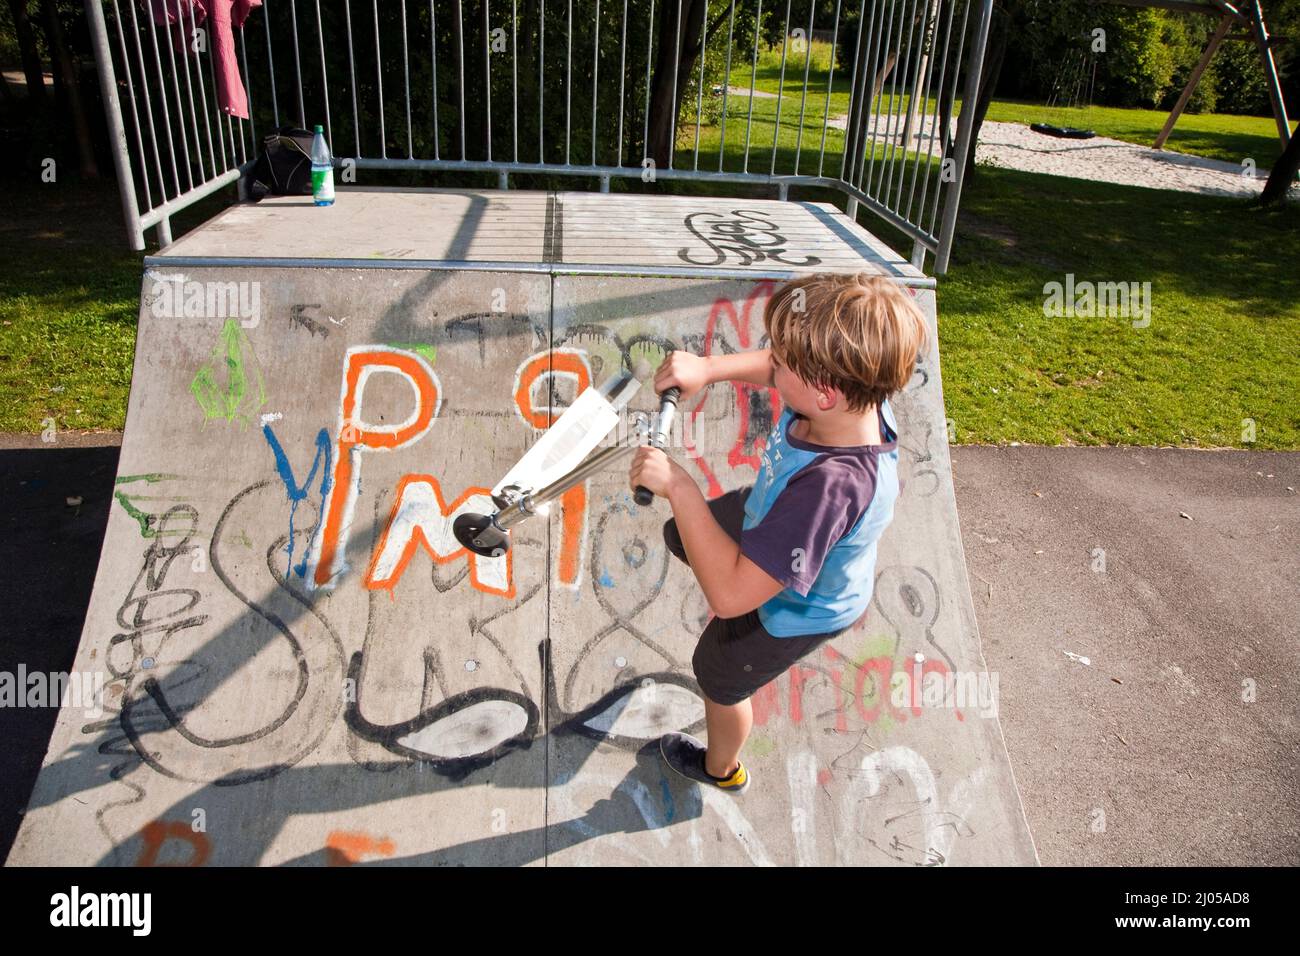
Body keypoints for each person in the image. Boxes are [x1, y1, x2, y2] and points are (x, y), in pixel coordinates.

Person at [628, 271, 930, 794]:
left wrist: (679, 484)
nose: (773, 359)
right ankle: (717, 545)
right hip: (768, 517)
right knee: (687, 534)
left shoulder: (828, 491)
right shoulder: (855, 396)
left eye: (782, 358)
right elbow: (782, 369)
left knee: (716, 674)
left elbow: (728, 598)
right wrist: (708, 368)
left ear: (824, 391)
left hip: (794, 610)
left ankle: (721, 770)